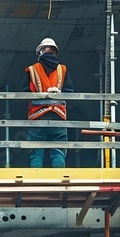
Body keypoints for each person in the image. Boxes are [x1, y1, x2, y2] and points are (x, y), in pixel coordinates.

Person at [21, 38, 75, 168]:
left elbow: (22, 92)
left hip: (38, 117)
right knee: (58, 151)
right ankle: (59, 181)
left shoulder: (32, 70)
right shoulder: (63, 69)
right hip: (58, 116)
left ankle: (35, 179)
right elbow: (70, 92)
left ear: (40, 52)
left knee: (36, 151)